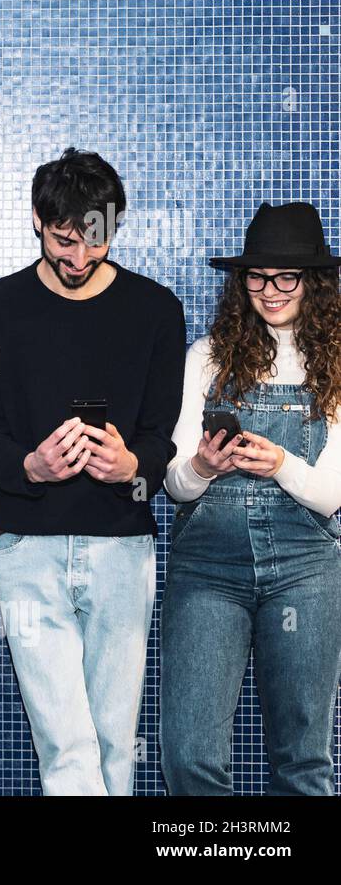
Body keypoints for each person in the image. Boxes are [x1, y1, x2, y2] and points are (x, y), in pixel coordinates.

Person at [0, 147, 186, 795]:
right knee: (67, 745)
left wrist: (130, 465)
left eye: (97, 239)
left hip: (123, 544)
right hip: (25, 545)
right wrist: (32, 465)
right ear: (38, 219)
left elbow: (159, 441)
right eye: (65, 239)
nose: (80, 257)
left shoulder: (155, 310)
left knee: (115, 745)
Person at [161, 201, 341, 795]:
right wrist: (203, 466)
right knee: (189, 754)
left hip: (305, 570)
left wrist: (281, 463)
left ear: (313, 283)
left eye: (286, 277)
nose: (269, 290)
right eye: (257, 276)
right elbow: (174, 485)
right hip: (209, 568)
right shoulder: (206, 357)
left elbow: (331, 497)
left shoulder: (337, 365)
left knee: (302, 757)